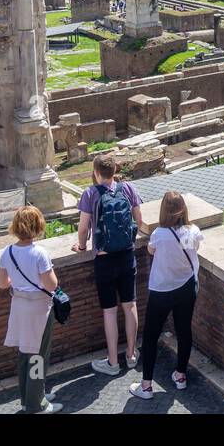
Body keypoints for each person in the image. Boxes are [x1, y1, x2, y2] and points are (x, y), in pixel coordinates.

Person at [73, 154, 146, 376]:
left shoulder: (90, 193)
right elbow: (139, 222)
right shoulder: (128, 189)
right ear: (114, 171)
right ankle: (132, 356)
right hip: (126, 255)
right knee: (130, 305)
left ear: (96, 172)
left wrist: (81, 245)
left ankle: (113, 363)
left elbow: (84, 228)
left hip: (104, 259)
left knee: (109, 312)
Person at [130, 192, 203, 401]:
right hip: (186, 288)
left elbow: (151, 251)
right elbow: (195, 247)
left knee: (151, 335)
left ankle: (146, 386)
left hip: (162, 290)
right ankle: (180, 376)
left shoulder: (159, 234)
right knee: (184, 331)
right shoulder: (193, 231)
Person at [0, 206, 62, 414]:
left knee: (25, 352)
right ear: (38, 226)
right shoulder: (39, 253)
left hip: (18, 306)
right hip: (38, 309)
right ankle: (37, 404)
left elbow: (2, 283)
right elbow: (51, 285)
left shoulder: (7, 252)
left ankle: (29, 396)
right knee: (38, 354)